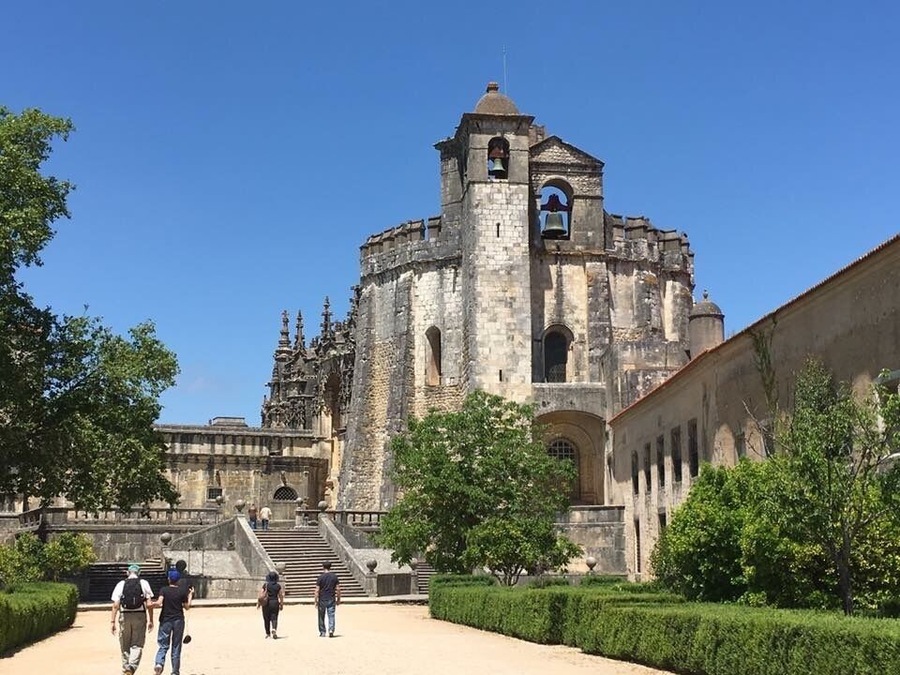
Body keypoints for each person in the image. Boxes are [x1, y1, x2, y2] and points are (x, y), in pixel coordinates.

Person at [111, 563, 154, 675]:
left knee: (124, 643)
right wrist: (151, 620)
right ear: (139, 573)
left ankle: (126, 667)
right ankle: (131, 667)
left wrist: (112, 621)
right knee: (137, 643)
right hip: (140, 615)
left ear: (127, 573)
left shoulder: (121, 584)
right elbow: (149, 604)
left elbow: (116, 604)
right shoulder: (144, 583)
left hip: (124, 615)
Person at [152, 569, 194, 675]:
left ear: (169, 579)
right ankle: (175, 671)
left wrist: (150, 604)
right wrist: (190, 595)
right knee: (176, 646)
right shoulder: (181, 591)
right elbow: (187, 607)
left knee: (163, 644)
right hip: (178, 620)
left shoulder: (164, 590)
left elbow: (159, 602)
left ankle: (159, 663)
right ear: (178, 580)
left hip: (165, 619)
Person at [314, 561, 341, 637]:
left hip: (322, 599)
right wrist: (338, 599)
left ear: (323, 567)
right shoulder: (334, 577)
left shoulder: (320, 577)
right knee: (331, 615)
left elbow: (317, 590)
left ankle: (322, 632)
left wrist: (315, 601)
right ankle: (331, 629)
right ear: (330, 567)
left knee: (321, 616)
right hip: (331, 598)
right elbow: (338, 589)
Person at [259, 570, 285, 639]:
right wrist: (281, 604)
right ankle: (274, 629)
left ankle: (267, 633)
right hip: (275, 602)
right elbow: (281, 595)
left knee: (266, 618)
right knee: (274, 617)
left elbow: (261, 594)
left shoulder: (265, 585)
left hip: (266, 603)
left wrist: (259, 603)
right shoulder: (278, 586)